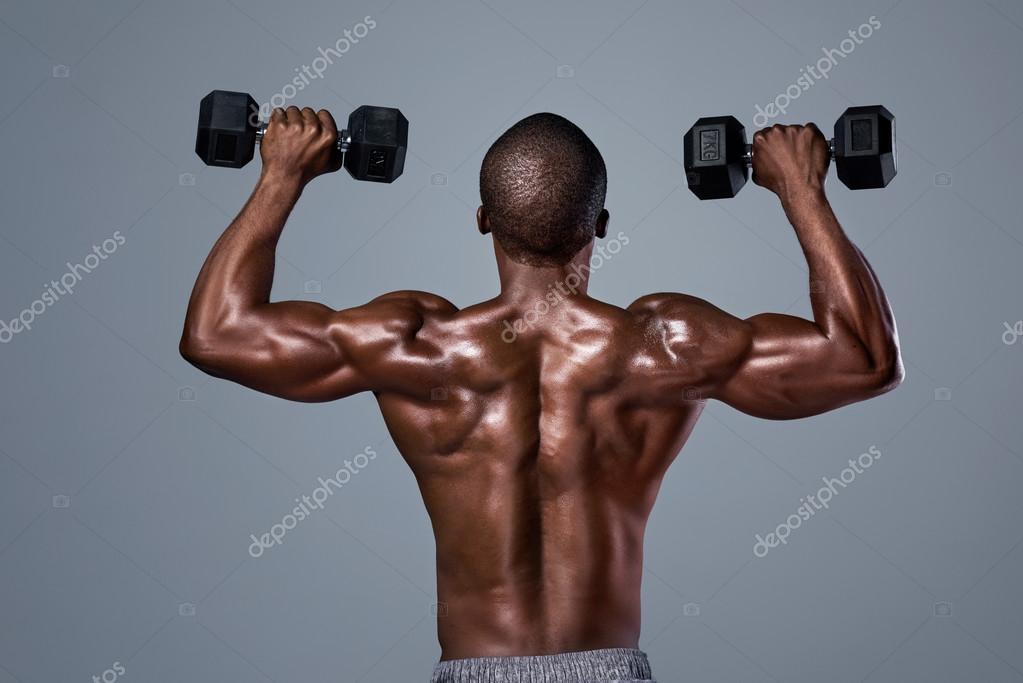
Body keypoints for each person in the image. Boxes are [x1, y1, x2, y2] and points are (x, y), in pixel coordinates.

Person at [180, 106, 903, 683]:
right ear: (601, 227)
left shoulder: (418, 345)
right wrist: (801, 188)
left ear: (483, 220)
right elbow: (864, 360)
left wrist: (281, 174)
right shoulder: (661, 345)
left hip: (472, 669)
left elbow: (217, 334)